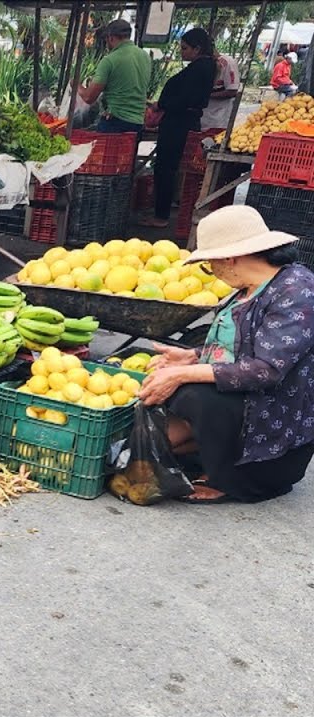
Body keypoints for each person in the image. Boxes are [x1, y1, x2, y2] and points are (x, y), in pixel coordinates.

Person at [138, 205, 314, 504]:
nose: (213, 272)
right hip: (250, 402)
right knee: (179, 395)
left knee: (192, 395)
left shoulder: (297, 290)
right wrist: (192, 356)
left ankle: (234, 480)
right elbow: (241, 346)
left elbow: (267, 368)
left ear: (229, 259)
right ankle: (205, 452)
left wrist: (183, 373)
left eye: (210, 265)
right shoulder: (250, 286)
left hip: (277, 416)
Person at [137, 28, 215, 229]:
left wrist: (161, 105)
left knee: (165, 168)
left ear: (197, 49)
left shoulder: (201, 68)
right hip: (182, 120)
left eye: (185, 48)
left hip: (179, 123)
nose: (182, 52)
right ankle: (163, 210)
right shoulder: (203, 66)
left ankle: (161, 216)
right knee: (168, 168)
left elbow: (184, 99)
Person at [76, 19, 152, 134]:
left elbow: (89, 98)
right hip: (137, 123)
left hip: (115, 122)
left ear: (111, 38)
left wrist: (75, 85)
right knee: (128, 152)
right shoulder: (145, 57)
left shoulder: (110, 60)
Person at [201, 50, 240, 132]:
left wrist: (206, 95)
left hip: (219, 119)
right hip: (203, 118)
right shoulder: (201, 64)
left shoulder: (227, 63)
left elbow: (233, 91)